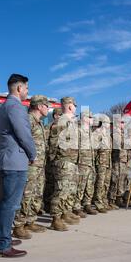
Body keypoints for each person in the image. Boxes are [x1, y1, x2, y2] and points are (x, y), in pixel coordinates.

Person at [0, 74, 36, 258]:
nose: (27, 91)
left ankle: (1, 237)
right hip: (15, 162)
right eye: (26, 88)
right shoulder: (15, 107)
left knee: (5, 203)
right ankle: (3, 245)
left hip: (6, 159)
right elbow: (24, 134)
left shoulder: (5, 106)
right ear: (19, 88)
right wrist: (33, 154)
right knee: (10, 205)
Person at [12, 95, 50, 239]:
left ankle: (30, 220)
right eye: (46, 106)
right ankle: (18, 225)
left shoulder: (38, 122)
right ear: (39, 106)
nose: (48, 109)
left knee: (36, 194)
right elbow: (22, 141)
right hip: (30, 165)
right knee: (25, 195)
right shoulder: (28, 120)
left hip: (39, 166)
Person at [48, 97, 80, 230]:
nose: (76, 108)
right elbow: (54, 141)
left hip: (71, 160)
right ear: (70, 106)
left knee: (70, 189)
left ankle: (65, 213)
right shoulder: (62, 121)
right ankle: (56, 219)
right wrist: (56, 158)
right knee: (61, 190)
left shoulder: (70, 121)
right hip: (64, 160)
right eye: (74, 106)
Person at [75, 110, 98, 216]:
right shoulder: (78, 130)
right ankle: (76, 206)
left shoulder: (89, 131)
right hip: (82, 162)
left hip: (90, 161)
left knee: (89, 185)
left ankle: (87, 204)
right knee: (80, 185)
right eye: (90, 117)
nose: (92, 119)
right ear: (84, 118)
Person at [92, 115, 113, 212]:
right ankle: (98, 202)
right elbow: (94, 148)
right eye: (108, 123)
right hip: (100, 162)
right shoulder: (97, 133)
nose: (109, 125)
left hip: (107, 161)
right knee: (99, 182)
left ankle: (104, 200)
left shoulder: (107, 135)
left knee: (106, 182)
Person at [44, 107, 62, 212]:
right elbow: (45, 143)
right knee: (50, 183)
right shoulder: (48, 128)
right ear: (56, 116)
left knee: (58, 183)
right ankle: (47, 205)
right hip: (51, 159)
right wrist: (49, 154)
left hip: (60, 159)